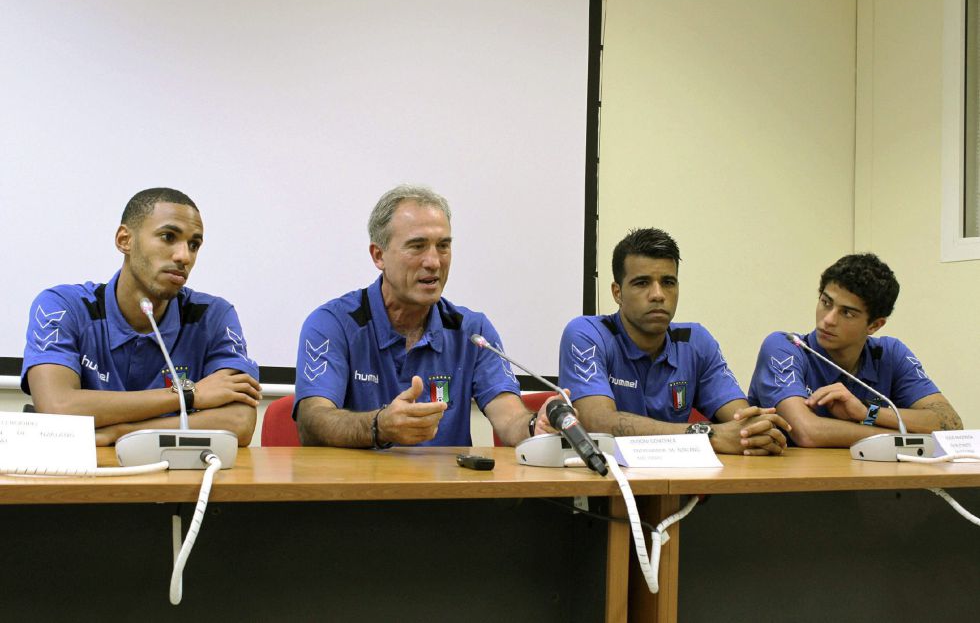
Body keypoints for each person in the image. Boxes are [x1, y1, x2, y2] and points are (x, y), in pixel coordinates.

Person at [294, 185, 556, 448]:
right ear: (379, 255)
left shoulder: (472, 331)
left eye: (443, 246)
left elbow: (509, 418)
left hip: (445, 476)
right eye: (417, 246)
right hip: (361, 475)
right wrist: (378, 426)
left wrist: (535, 425)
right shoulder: (333, 323)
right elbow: (312, 421)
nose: (434, 262)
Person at [21, 188, 261, 446]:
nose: (184, 256)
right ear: (125, 240)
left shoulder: (213, 315)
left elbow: (239, 422)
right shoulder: (63, 305)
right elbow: (57, 407)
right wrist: (188, 393)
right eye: (168, 237)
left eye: (194, 245)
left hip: (176, 469)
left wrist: (124, 433)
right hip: (84, 468)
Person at [557, 228, 789, 456]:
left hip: (678, 477)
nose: (658, 294)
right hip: (606, 475)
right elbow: (597, 423)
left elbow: (742, 422)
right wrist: (707, 435)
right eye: (642, 283)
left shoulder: (695, 341)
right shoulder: (587, 334)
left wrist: (759, 430)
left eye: (668, 282)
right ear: (617, 293)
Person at [748, 253, 962, 447]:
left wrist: (868, 412)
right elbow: (807, 432)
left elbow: (950, 424)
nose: (828, 320)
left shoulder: (890, 354)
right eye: (826, 302)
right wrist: (903, 438)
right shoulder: (785, 346)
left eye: (847, 313)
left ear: (874, 325)